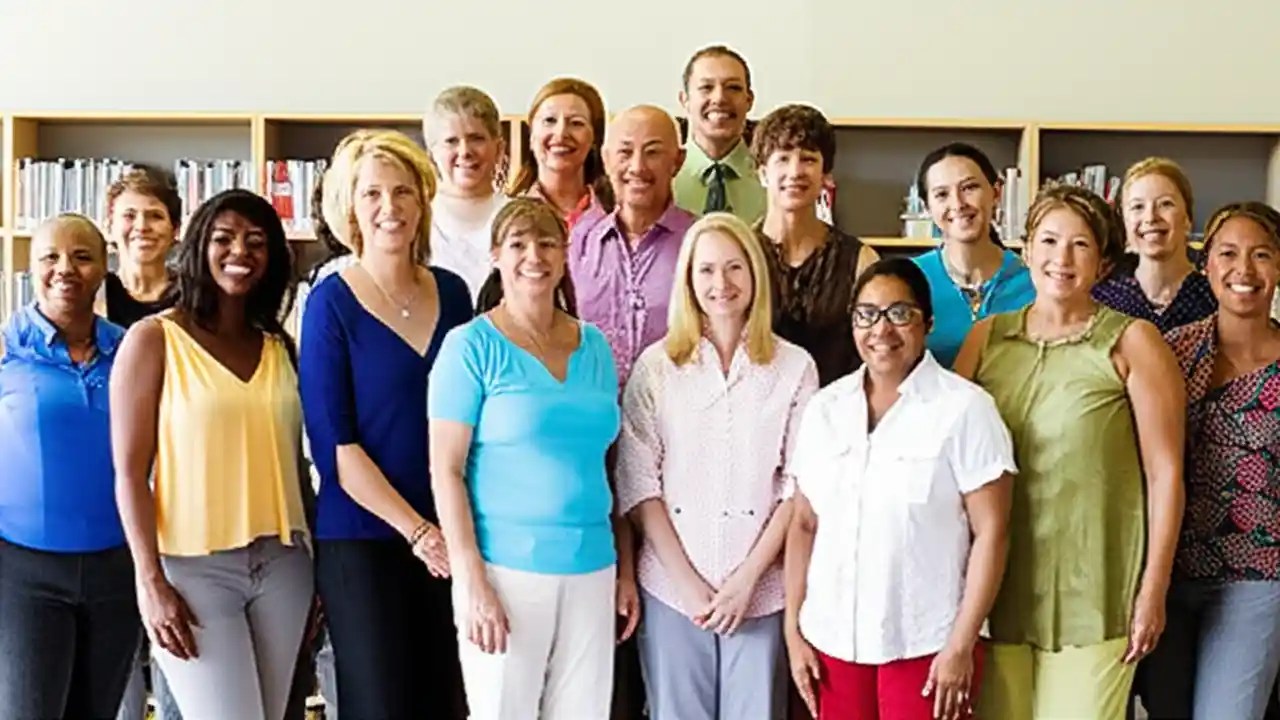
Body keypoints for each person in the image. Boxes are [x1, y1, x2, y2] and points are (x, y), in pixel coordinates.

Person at [952, 185, 1185, 720]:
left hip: (1097, 593)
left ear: (1102, 262)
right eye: (1049, 241)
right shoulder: (985, 340)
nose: (1062, 258)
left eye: (1080, 245)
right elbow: (948, 462)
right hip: (996, 594)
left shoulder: (1133, 342)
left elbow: (1166, 473)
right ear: (1025, 249)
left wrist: (1154, 589)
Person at [111, 189, 314, 720]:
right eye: (223, 238)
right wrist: (149, 581)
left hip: (285, 565)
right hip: (193, 573)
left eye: (256, 241)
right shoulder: (153, 339)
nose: (239, 252)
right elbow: (129, 474)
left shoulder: (278, 347)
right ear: (199, 244)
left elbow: (294, 462)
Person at [782, 256, 1014, 720]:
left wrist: (961, 645)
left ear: (927, 322)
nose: (880, 329)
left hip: (927, 646)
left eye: (899, 313)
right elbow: (805, 523)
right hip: (832, 641)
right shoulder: (825, 409)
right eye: (866, 314)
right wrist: (793, 631)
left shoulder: (966, 410)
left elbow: (993, 533)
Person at [429, 198, 630, 720]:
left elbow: (609, 465)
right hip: (505, 569)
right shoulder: (469, 346)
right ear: (496, 255)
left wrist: (623, 565)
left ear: (565, 256)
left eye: (546, 243)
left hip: (591, 565)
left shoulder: (596, 347)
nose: (533, 256)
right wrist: (472, 580)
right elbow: (445, 470)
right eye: (518, 244)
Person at [616, 211, 819, 720]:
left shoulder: (795, 367)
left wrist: (747, 581)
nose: (720, 284)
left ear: (754, 275)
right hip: (670, 586)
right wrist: (686, 584)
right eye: (705, 270)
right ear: (688, 279)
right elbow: (639, 483)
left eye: (734, 268)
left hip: (761, 590)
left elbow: (798, 487)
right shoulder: (657, 366)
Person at [300, 128, 472, 720]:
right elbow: (336, 449)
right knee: (380, 705)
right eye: (372, 194)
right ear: (350, 206)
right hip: (365, 542)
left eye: (403, 192)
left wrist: (445, 533)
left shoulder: (454, 295)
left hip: (453, 537)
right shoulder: (329, 301)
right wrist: (419, 533)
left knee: (444, 701)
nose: (389, 208)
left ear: (423, 202)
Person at [1140, 202, 1280, 719]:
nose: (1244, 271)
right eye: (1228, 254)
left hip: (1258, 577)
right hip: (1167, 576)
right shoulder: (1170, 351)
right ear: (1206, 266)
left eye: (1261, 255)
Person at [0, 215, 141, 718]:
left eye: (82, 256)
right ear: (31, 267)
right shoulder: (6, 348)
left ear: (105, 268)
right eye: (50, 257)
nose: (66, 269)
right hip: (24, 573)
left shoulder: (130, 351)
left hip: (116, 569)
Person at [751, 103, 879, 386]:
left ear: (826, 176)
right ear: (762, 174)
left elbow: (876, 353)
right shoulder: (740, 254)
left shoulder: (861, 260)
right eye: (782, 158)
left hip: (837, 417)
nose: (795, 171)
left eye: (808, 159)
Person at [568, 103, 697, 384]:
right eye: (625, 152)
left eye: (652, 153)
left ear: (678, 160)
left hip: (673, 417)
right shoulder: (581, 239)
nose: (637, 167)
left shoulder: (700, 242)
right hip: (593, 414)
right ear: (606, 159)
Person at [911, 143, 1035, 368]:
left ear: (996, 192)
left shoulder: (1033, 282)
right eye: (942, 194)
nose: (957, 204)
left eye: (969, 188)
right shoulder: (909, 280)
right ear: (927, 207)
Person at [1092, 157, 1216, 331]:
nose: (1150, 217)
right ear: (1124, 221)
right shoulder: (1102, 298)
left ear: (1187, 218)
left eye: (1165, 204)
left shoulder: (1214, 299)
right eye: (1137, 207)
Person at [425, 85, 511, 301]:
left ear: (499, 148)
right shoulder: (417, 219)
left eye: (476, 138)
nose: (465, 151)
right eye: (451, 141)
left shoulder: (516, 216)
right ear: (431, 154)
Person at [673, 45, 766, 223]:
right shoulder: (661, 178)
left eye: (733, 88)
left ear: (749, 100)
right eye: (706, 87)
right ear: (684, 100)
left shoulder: (775, 180)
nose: (720, 98)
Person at [506, 77, 609, 230]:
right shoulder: (506, 218)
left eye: (576, 123)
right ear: (532, 135)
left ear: (594, 138)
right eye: (549, 120)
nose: (561, 133)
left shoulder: (617, 217)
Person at [101, 165, 182, 327]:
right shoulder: (94, 293)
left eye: (155, 216)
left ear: (175, 230)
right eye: (129, 215)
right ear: (109, 228)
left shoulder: (194, 294)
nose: (142, 226)